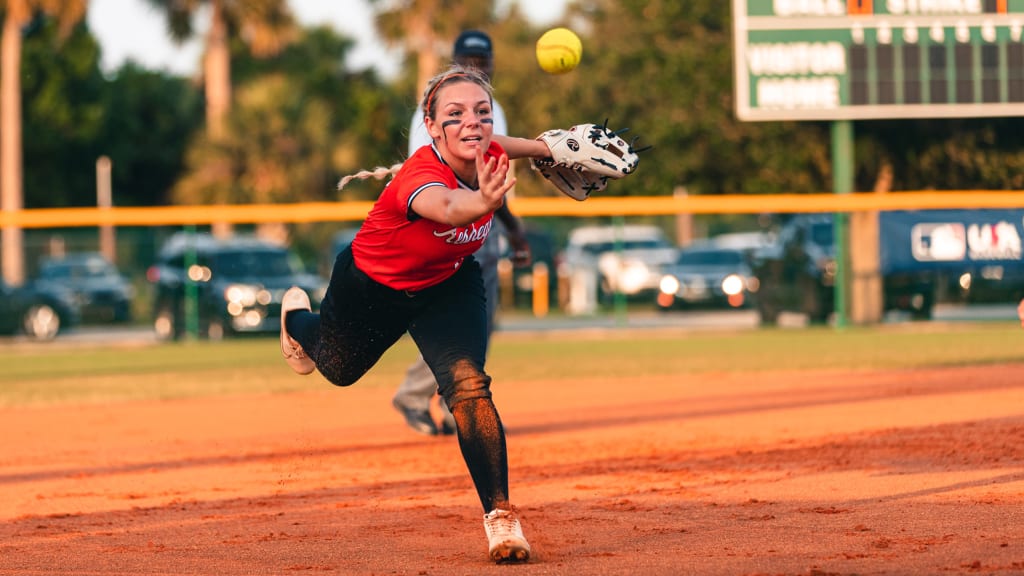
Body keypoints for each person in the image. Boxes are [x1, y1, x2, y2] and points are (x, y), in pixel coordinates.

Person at [279, 65, 554, 563]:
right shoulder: (420, 176)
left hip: (448, 283)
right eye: (455, 114)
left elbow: (502, 144)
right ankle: (296, 322)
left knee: (469, 386)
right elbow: (448, 207)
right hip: (372, 287)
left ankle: (502, 519)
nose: (473, 123)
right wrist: (485, 200)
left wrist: (545, 148)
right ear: (431, 127)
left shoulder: (487, 150)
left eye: (482, 112)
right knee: (339, 371)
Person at [395, 29, 530, 436]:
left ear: (491, 63)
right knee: (465, 321)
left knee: (477, 322)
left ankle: (451, 399)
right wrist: (516, 230)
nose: (475, 65)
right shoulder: (439, 106)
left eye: (482, 59)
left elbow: (493, 170)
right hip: (450, 224)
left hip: (479, 223)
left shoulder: (490, 108)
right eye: (467, 58)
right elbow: (447, 178)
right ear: (453, 60)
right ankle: (443, 398)